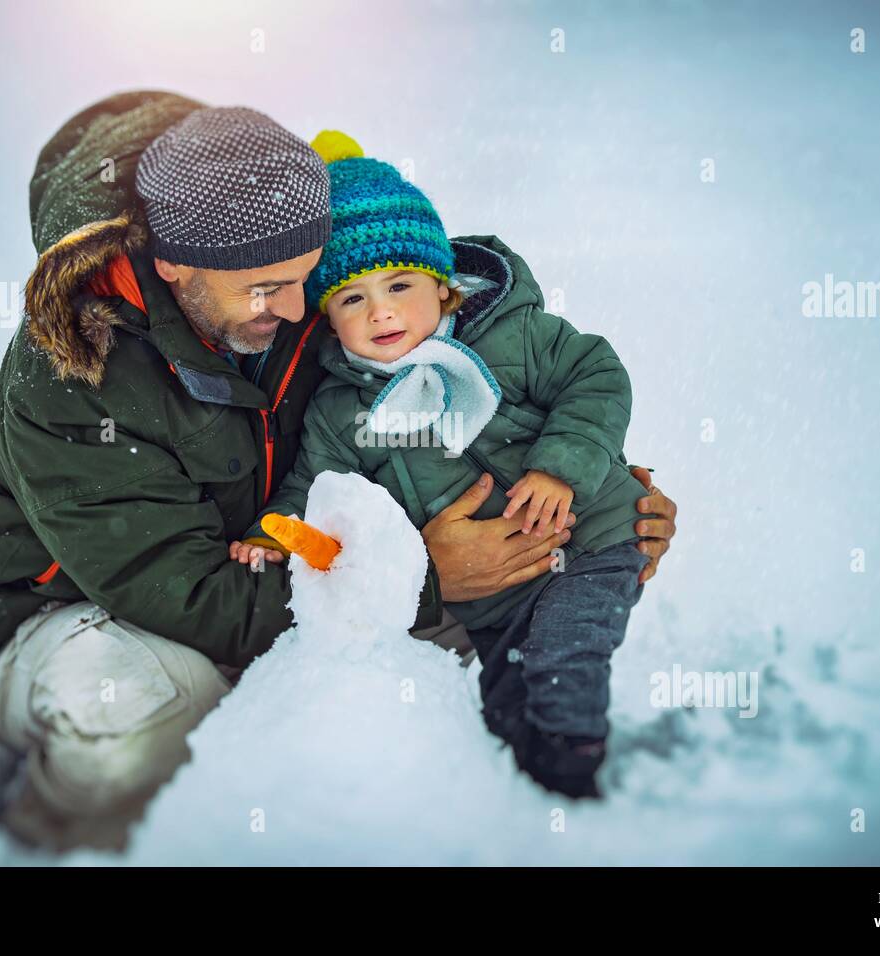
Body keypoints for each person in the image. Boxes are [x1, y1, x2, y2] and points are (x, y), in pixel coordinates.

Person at [0, 94, 679, 849]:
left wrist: (593, 489)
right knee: (155, 715)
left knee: (508, 616)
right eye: (269, 287)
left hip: (281, 565)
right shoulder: (72, 372)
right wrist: (426, 579)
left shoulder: (289, 275)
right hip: (77, 610)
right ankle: (52, 841)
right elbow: (187, 594)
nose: (300, 310)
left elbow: (437, 302)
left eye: (308, 277)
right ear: (176, 264)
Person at [232, 132, 656, 799]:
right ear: (326, 318)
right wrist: (277, 535)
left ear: (444, 285)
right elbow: (313, 496)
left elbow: (596, 376)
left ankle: (576, 771)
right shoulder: (343, 408)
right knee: (503, 697)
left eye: (400, 284)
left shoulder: (512, 336)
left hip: (588, 538)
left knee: (562, 654)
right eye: (351, 299)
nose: (382, 311)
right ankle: (537, 800)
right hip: (492, 600)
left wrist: (560, 469)